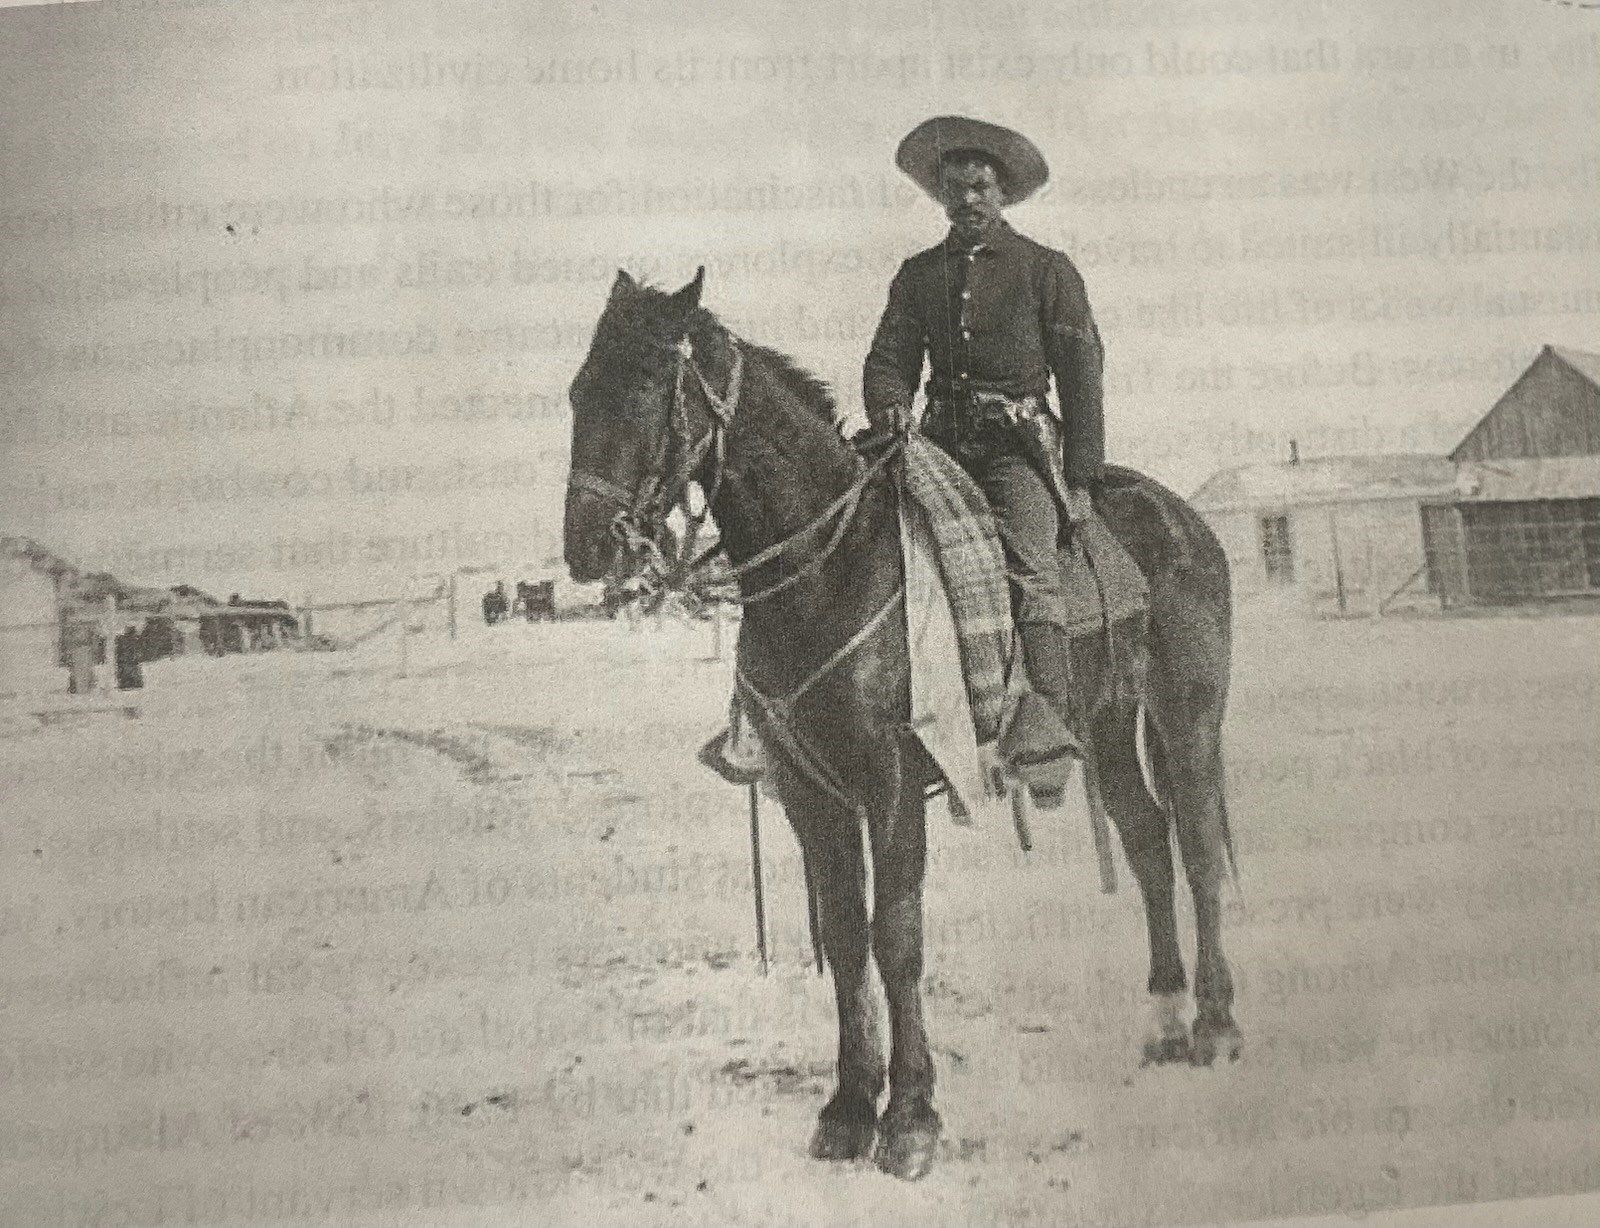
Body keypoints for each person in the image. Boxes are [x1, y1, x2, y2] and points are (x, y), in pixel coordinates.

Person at [863, 115, 1106, 762]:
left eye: (980, 187)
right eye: (955, 187)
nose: (968, 199)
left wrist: (1080, 478)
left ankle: (1047, 725)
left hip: (1015, 450)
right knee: (884, 550)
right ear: (940, 196)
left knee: (1030, 568)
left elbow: (1082, 373)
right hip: (939, 446)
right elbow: (890, 361)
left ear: (1002, 194)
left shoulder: (1045, 270)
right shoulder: (919, 276)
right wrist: (890, 408)